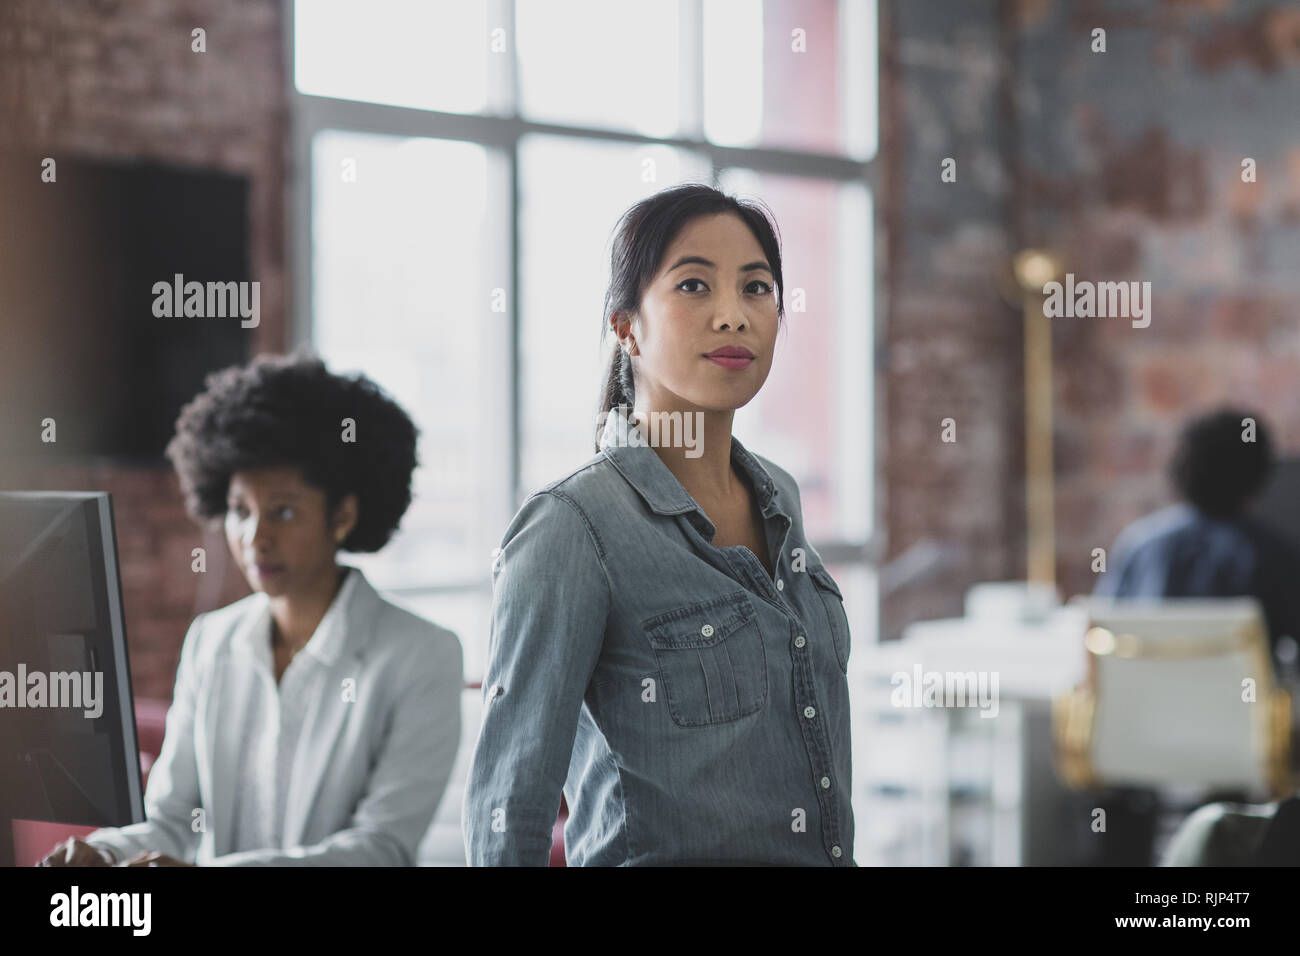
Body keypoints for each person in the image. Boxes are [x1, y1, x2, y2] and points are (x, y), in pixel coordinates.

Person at [463, 183, 855, 865]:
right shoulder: (572, 528)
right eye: (695, 286)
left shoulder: (780, 497)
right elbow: (509, 807)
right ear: (626, 324)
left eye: (756, 289)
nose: (734, 316)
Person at [40, 350, 462, 866]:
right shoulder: (211, 641)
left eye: (283, 512)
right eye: (240, 511)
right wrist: (102, 854)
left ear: (344, 514)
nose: (255, 537)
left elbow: (380, 849)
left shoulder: (422, 655)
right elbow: (172, 820)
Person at [1095, 407, 1300, 675]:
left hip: (1149, 710)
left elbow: (1102, 633)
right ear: (1259, 474)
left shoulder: (1137, 545)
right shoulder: (1274, 555)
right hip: (1241, 712)